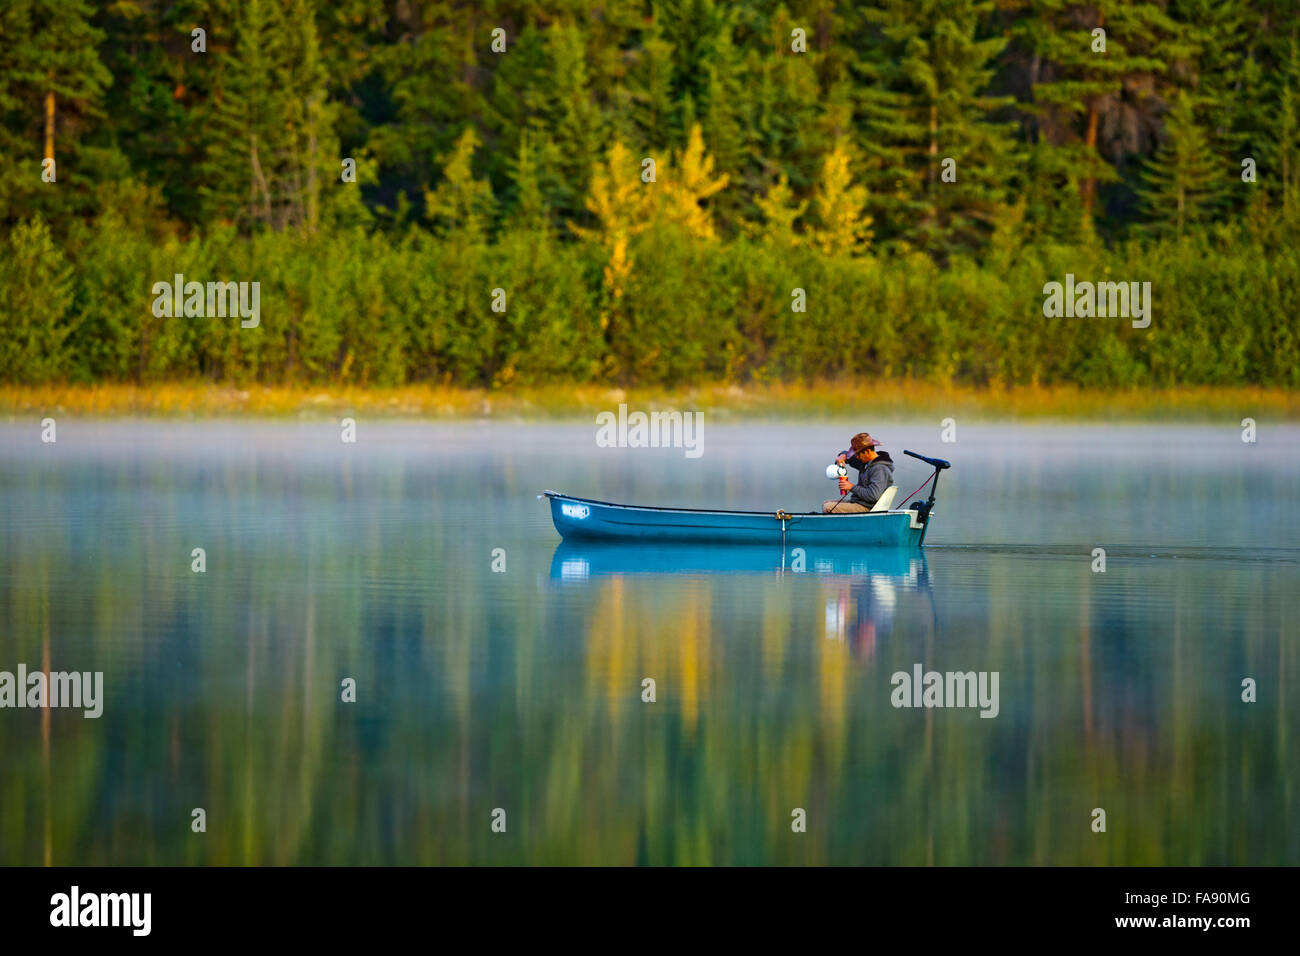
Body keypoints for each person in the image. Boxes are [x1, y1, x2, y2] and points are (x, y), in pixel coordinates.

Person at [822, 432, 894, 513]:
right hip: (859, 503)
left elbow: (873, 495)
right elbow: (848, 456)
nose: (857, 457)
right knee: (826, 503)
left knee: (828, 507)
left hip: (868, 508)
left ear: (867, 451)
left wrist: (851, 487)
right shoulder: (866, 462)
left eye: (858, 454)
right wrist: (843, 456)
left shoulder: (879, 469)